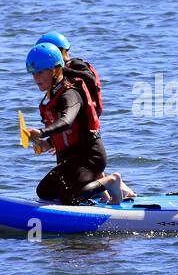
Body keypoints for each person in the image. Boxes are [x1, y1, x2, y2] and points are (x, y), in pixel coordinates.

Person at [22, 42, 131, 206]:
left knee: (69, 197)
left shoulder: (70, 94)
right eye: (33, 73)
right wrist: (45, 144)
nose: (36, 78)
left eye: (40, 72)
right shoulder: (52, 97)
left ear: (56, 70)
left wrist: (42, 132)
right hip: (71, 160)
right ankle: (101, 192)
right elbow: (69, 132)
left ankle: (111, 181)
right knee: (44, 192)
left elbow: (67, 121)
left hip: (89, 157)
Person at [36, 31, 102, 116]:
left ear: (59, 51)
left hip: (81, 114)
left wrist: (64, 71)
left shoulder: (75, 64)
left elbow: (90, 78)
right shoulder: (55, 72)